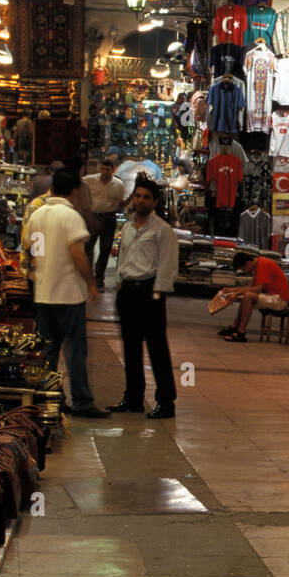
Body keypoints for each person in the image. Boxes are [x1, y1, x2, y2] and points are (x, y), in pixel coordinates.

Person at [22, 168, 108, 418]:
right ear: (74, 191)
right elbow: (77, 253)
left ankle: (50, 398)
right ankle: (81, 401)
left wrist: (43, 272)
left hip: (44, 292)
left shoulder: (37, 215)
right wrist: (91, 282)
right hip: (68, 295)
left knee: (48, 350)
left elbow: (32, 250)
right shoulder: (70, 217)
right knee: (75, 351)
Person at [109, 177, 179, 419]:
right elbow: (123, 258)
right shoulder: (128, 227)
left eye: (146, 197)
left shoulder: (162, 230)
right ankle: (133, 398)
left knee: (157, 348)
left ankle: (166, 402)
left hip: (150, 293)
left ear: (155, 201)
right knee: (130, 348)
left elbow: (167, 264)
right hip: (127, 291)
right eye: (137, 196)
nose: (140, 201)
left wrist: (158, 294)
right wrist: (119, 283)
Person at [221, 251, 289, 342]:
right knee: (245, 296)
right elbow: (252, 287)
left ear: (247, 263)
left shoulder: (262, 265)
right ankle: (235, 326)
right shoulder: (258, 265)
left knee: (248, 297)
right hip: (272, 296)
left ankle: (241, 331)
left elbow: (257, 289)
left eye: (243, 269)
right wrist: (232, 290)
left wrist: (236, 293)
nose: (244, 272)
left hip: (279, 300)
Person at [83, 156, 128, 288]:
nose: (104, 172)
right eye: (103, 168)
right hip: (92, 217)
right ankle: (87, 275)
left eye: (107, 169)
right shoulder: (89, 180)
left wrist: (131, 198)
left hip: (109, 218)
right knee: (88, 247)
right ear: (100, 168)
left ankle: (99, 277)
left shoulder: (118, 185)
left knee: (105, 249)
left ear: (112, 170)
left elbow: (121, 203)